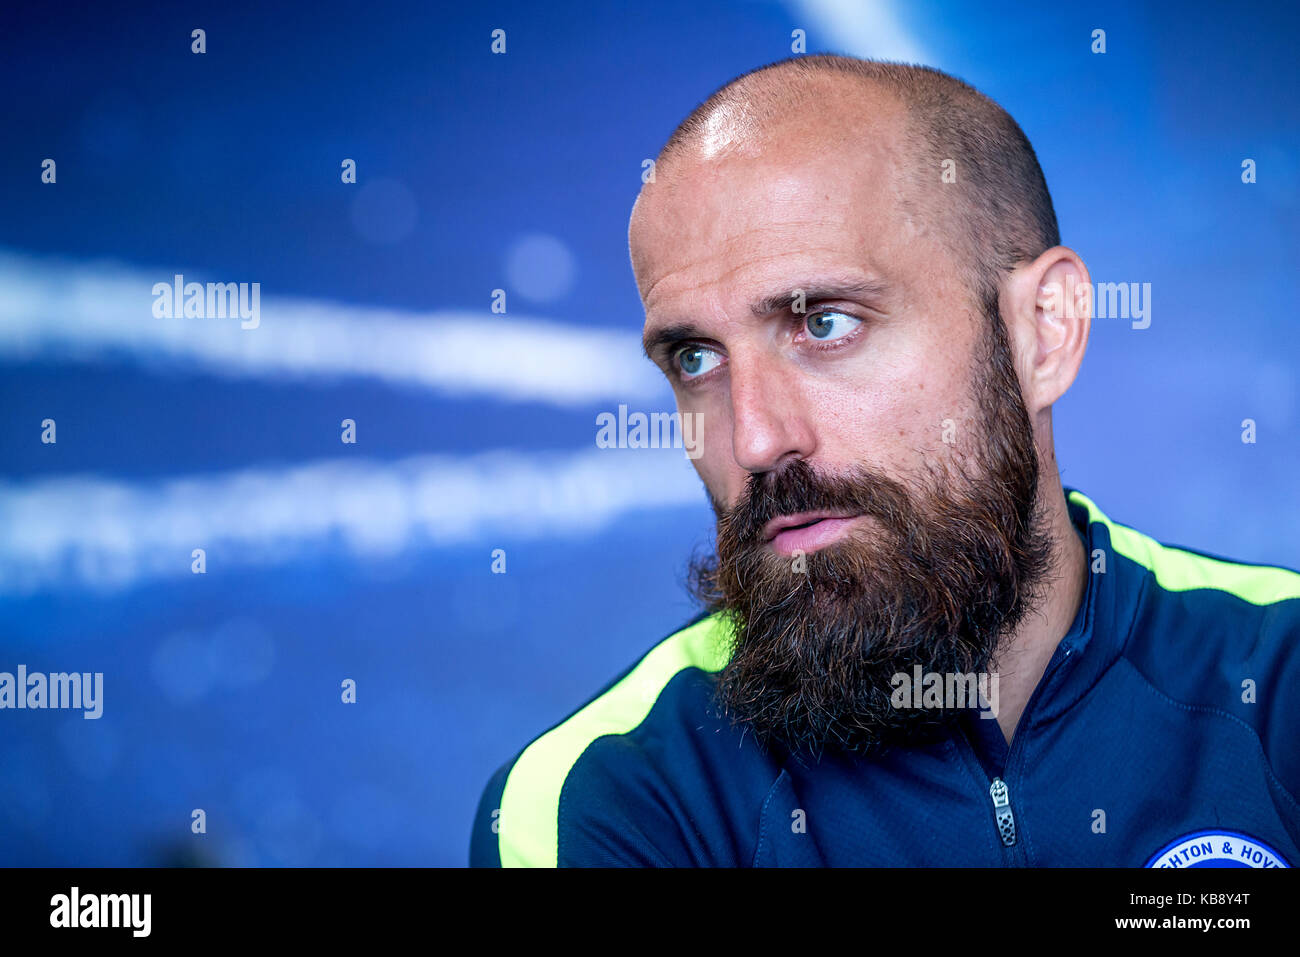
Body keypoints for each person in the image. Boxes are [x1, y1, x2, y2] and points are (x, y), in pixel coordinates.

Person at [470, 54, 1299, 867]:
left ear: (1043, 331)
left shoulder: (1280, 677)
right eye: (696, 359)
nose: (755, 440)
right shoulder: (605, 802)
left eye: (825, 324)